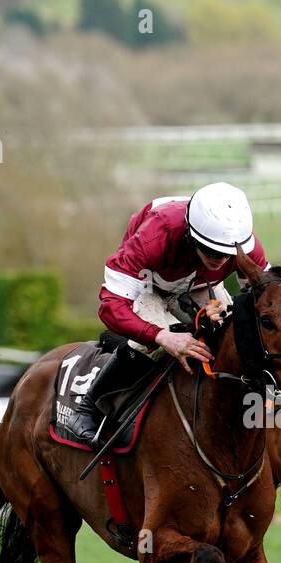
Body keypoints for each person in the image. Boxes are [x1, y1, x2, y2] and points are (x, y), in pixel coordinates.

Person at [62, 183, 267, 447]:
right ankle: (88, 407)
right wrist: (160, 336)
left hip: (197, 285)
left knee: (231, 333)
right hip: (148, 287)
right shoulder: (157, 234)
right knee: (169, 340)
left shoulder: (243, 244)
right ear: (192, 237)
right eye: (211, 251)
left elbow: (264, 301)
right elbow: (110, 307)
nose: (219, 259)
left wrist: (229, 312)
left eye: (226, 254)